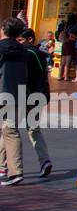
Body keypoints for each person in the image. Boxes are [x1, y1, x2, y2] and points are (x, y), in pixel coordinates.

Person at [1, 18, 51, 185]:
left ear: (3, 30)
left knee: (9, 130)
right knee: (11, 129)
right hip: (19, 95)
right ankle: (10, 169)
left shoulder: (3, 48)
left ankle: (13, 171)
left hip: (6, 93)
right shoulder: (24, 51)